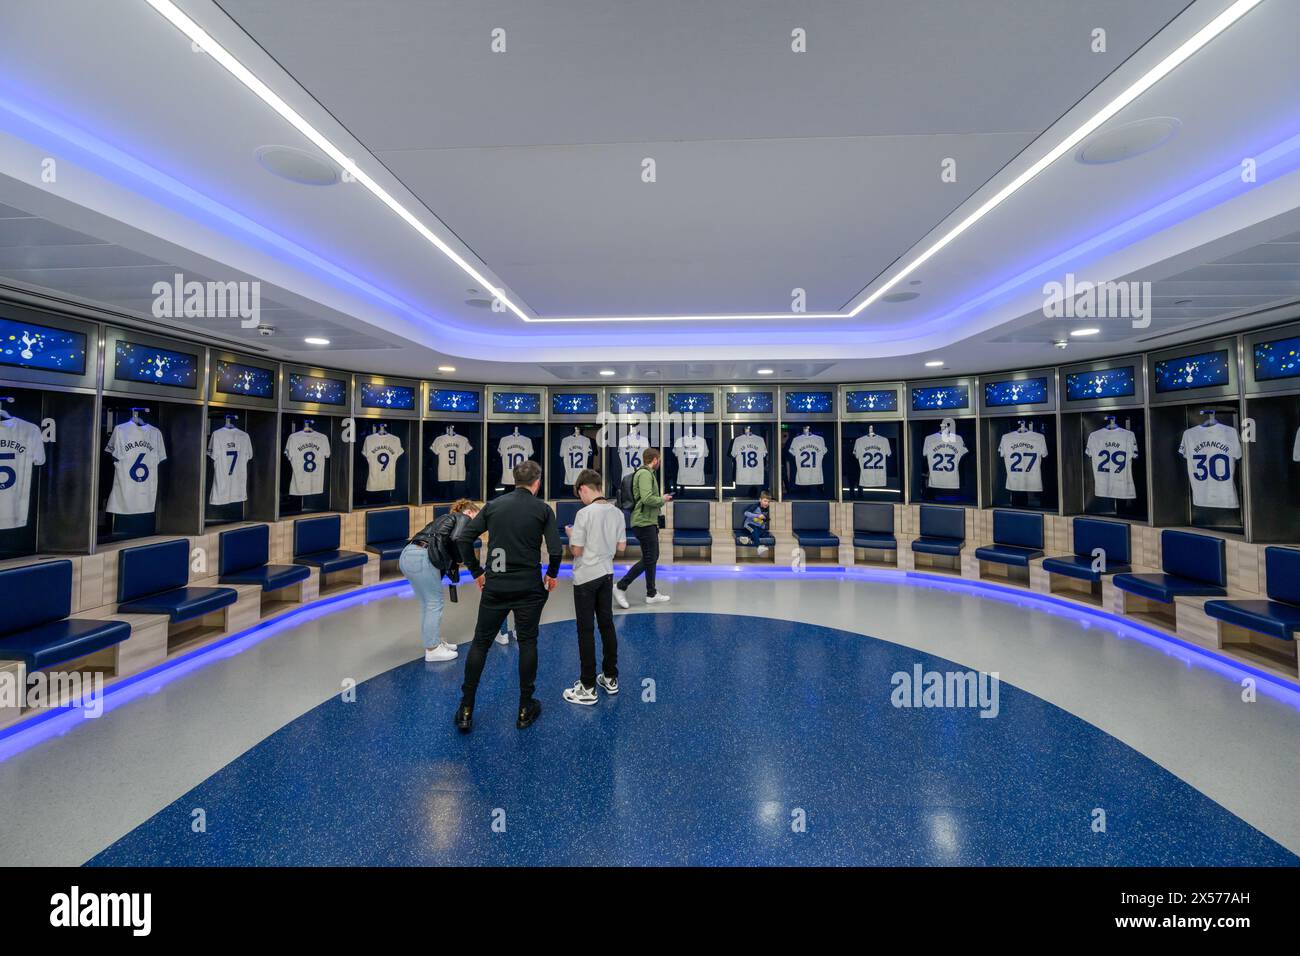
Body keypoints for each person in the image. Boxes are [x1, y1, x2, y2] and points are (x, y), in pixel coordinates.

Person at [453, 460, 562, 733]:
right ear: (537, 482)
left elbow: (464, 538)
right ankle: (525, 708)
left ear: (515, 480)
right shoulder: (542, 509)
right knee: (527, 643)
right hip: (528, 588)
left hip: (496, 587)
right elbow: (556, 549)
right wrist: (552, 574)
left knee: (480, 644)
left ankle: (466, 708)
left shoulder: (493, 506)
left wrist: (477, 571)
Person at [562, 469, 626, 706]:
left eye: (580, 494)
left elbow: (576, 550)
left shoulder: (584, 514)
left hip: (586, 577)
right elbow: (621, 547)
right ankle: (610, 677)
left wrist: (571, 535)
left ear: (584, 489)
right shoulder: (617, 513)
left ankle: (588, 686)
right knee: (607, 625)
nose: (581, 499)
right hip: (607, 574)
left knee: (585, 630)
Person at [400, 498, 481, 662]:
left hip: (409, 555)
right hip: (422, 557)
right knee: (434, 603)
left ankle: (433, 642)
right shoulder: (463, 518)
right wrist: (461, 559)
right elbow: (458, 540)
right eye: (477, 518)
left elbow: (447, 543)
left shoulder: (446, 520)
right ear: (469, 512)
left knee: (427, 603)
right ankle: (433, 649)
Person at [615, 447, 672, 608]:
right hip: (643, 522)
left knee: (652, 557)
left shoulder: (644, 474)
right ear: (654, 459)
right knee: (650, 558)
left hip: (647, 521)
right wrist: (662, 499)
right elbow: (647, 498)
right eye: (658, 460)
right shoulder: (645, 474)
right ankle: (620, 586)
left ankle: (651, 593)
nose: (659, 462)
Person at [742, 491, 773, 556]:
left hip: (758, 527)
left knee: (763, 533)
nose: (767, 503)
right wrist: (757, 516)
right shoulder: (755, 506)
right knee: (754, 529)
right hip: (748, 525)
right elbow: (746, 513)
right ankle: (759, 547)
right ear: (760, 500)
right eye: (765, 501)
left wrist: (764, 521)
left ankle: (749, 539)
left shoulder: (766, 509)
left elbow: (762, 521)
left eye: (768, 502)